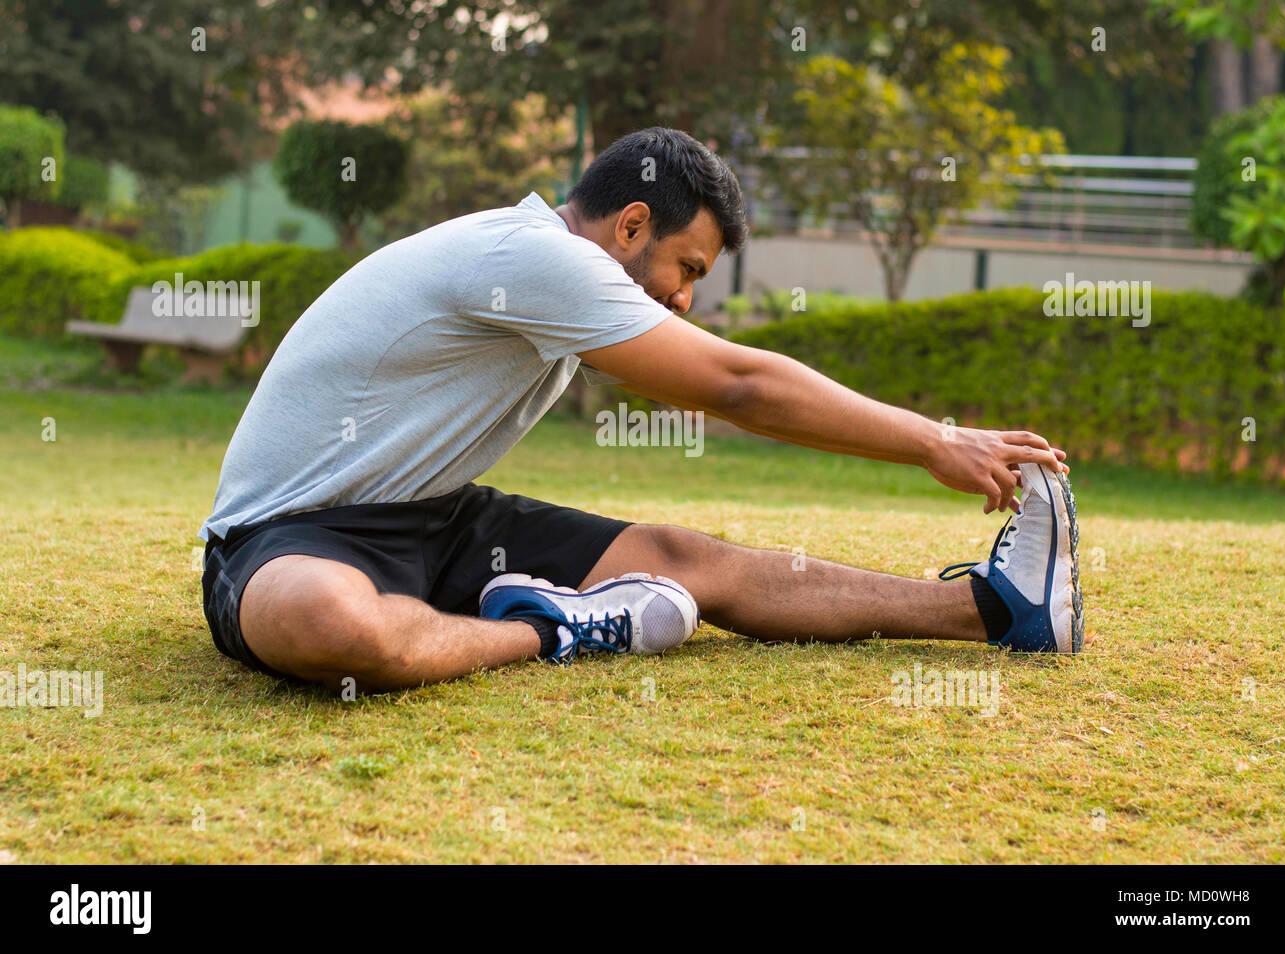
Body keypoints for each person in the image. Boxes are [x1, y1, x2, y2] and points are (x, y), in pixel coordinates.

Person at [199, 127, 1082, 692]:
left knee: (683, 559)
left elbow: (729, 383)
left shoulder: (549, 269)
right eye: (688, 269)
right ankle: (553, 630)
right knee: (331, 624)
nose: (687, 298)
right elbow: (738, 387)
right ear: (629, 226)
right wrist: (935, 440)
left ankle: (998, 611)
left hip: (432, 519)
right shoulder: (540, 258)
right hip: (290, 532)